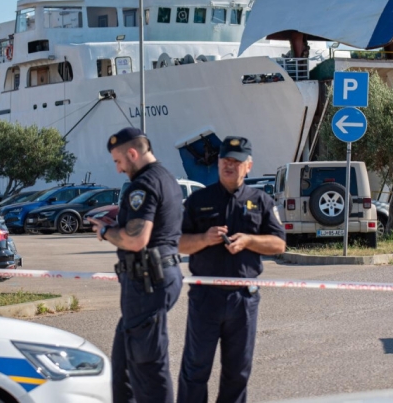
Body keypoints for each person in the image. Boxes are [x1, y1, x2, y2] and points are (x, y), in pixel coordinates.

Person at [177, 136, 286, 403]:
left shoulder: (261, 201)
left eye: (236, 161)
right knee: (195, 369)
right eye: (225, 160)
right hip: (206, 298)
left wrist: (249, 241)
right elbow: (178, 242)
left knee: (237, 371)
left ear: (248, 166)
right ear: (218, 162)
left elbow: (279, 244)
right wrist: (204, 238)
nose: (229, 165)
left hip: (242, 299)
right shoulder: (198, 200)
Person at [93, 127, 184, 403]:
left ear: (132, 153)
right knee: (124, 370)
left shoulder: (143, 184)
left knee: (147, 369)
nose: (119, 169)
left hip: (148, 282)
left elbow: (136, 240)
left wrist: (105, 233)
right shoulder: (165, 178)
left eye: (118, 161)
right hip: (149, 280)